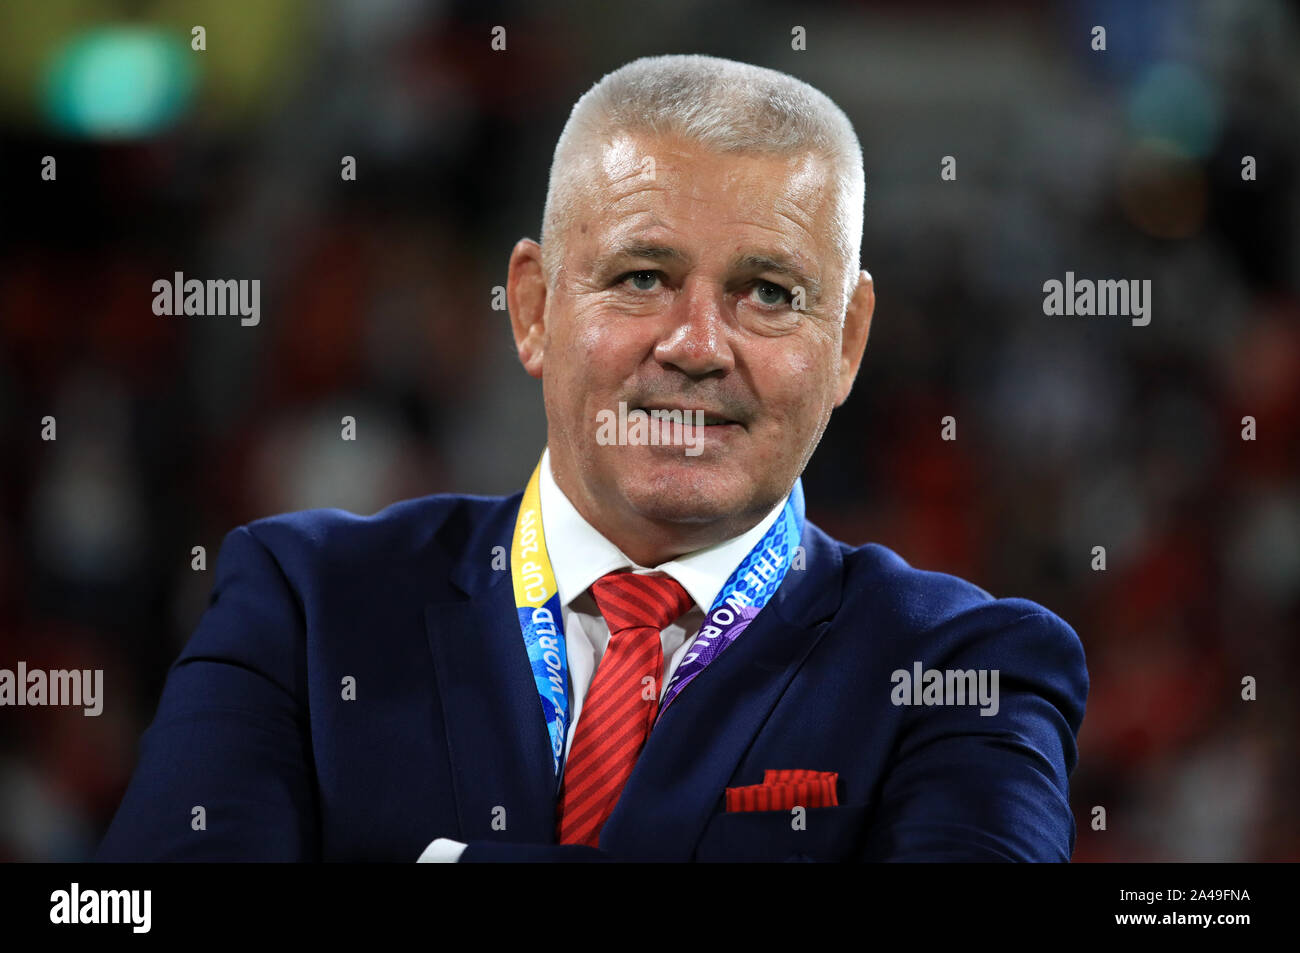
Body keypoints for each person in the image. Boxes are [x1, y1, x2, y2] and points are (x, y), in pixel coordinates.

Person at [96, 54, 1087, 862]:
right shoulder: (303, 602)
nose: (698, 343)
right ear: (531, 308)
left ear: (849, 342)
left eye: (770, 292)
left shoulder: (966, 664)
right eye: (643, 275)